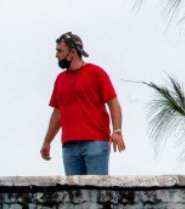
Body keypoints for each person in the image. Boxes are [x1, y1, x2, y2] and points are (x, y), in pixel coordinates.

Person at [40, 32, 125, 176]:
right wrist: (47, 142)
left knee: (97, 192)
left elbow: (113, 102)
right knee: (75, 195)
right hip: (69, 146)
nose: (56, 55)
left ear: (73, 52)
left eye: (60, 51)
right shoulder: (60, 79)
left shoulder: (96, 73)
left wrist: (117, 131)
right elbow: (57, 113)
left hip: (95, 142)